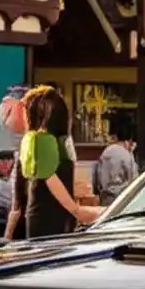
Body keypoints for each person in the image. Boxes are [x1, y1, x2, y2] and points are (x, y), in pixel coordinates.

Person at [17, 86, 101, 237]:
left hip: (50, 212)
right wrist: (77, 210)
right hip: (51, 214)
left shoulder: (43, 140)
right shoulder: (43, 140)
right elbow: (50, 177)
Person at [93, 123, 139, 205]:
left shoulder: (105, 152)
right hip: (120, 199)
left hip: (105, 197)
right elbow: (134, 179)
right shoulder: (126, 155)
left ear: (116, 137)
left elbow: (95, 177)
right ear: (129, 141)